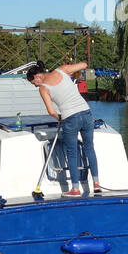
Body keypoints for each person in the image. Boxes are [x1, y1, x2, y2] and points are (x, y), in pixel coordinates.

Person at [26, 60, 102, 197]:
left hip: (70, 118)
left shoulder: (43, 88)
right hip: (86, 112)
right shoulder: (62, 69)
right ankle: (96, 184)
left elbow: (51, 111)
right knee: (89, 148)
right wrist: (72, 71)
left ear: (37, 76)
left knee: (72, 153)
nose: (35, 86)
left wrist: (59, 118)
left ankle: (75, 189)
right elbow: (84, 65)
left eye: (33, 83)